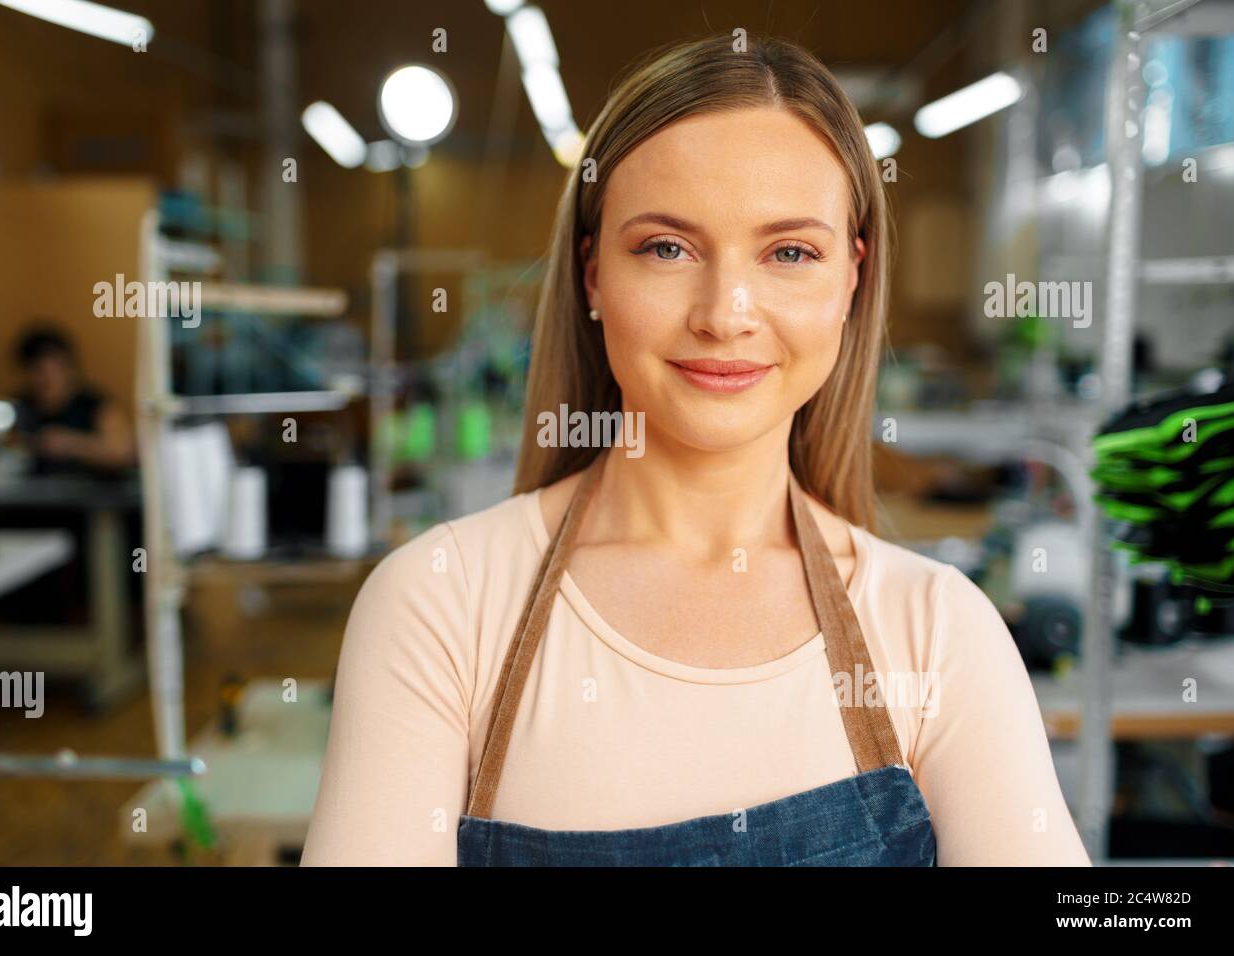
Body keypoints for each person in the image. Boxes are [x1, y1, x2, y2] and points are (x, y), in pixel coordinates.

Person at [302, 35, 1092, 866]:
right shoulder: (443, 607)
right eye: (666, 248)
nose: (726, 312)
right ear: (594, 275)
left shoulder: (937, 632)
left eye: (789, 252)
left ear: (851, 280)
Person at [11, 325, 135, 476]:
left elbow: (122, 453)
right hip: (32, 495)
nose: (47, 380)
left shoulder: (97, 406)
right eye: (38, 371)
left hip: (92, 494)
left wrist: (71, 444)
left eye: (55, 370)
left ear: (69, 368)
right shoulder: (16, 408)